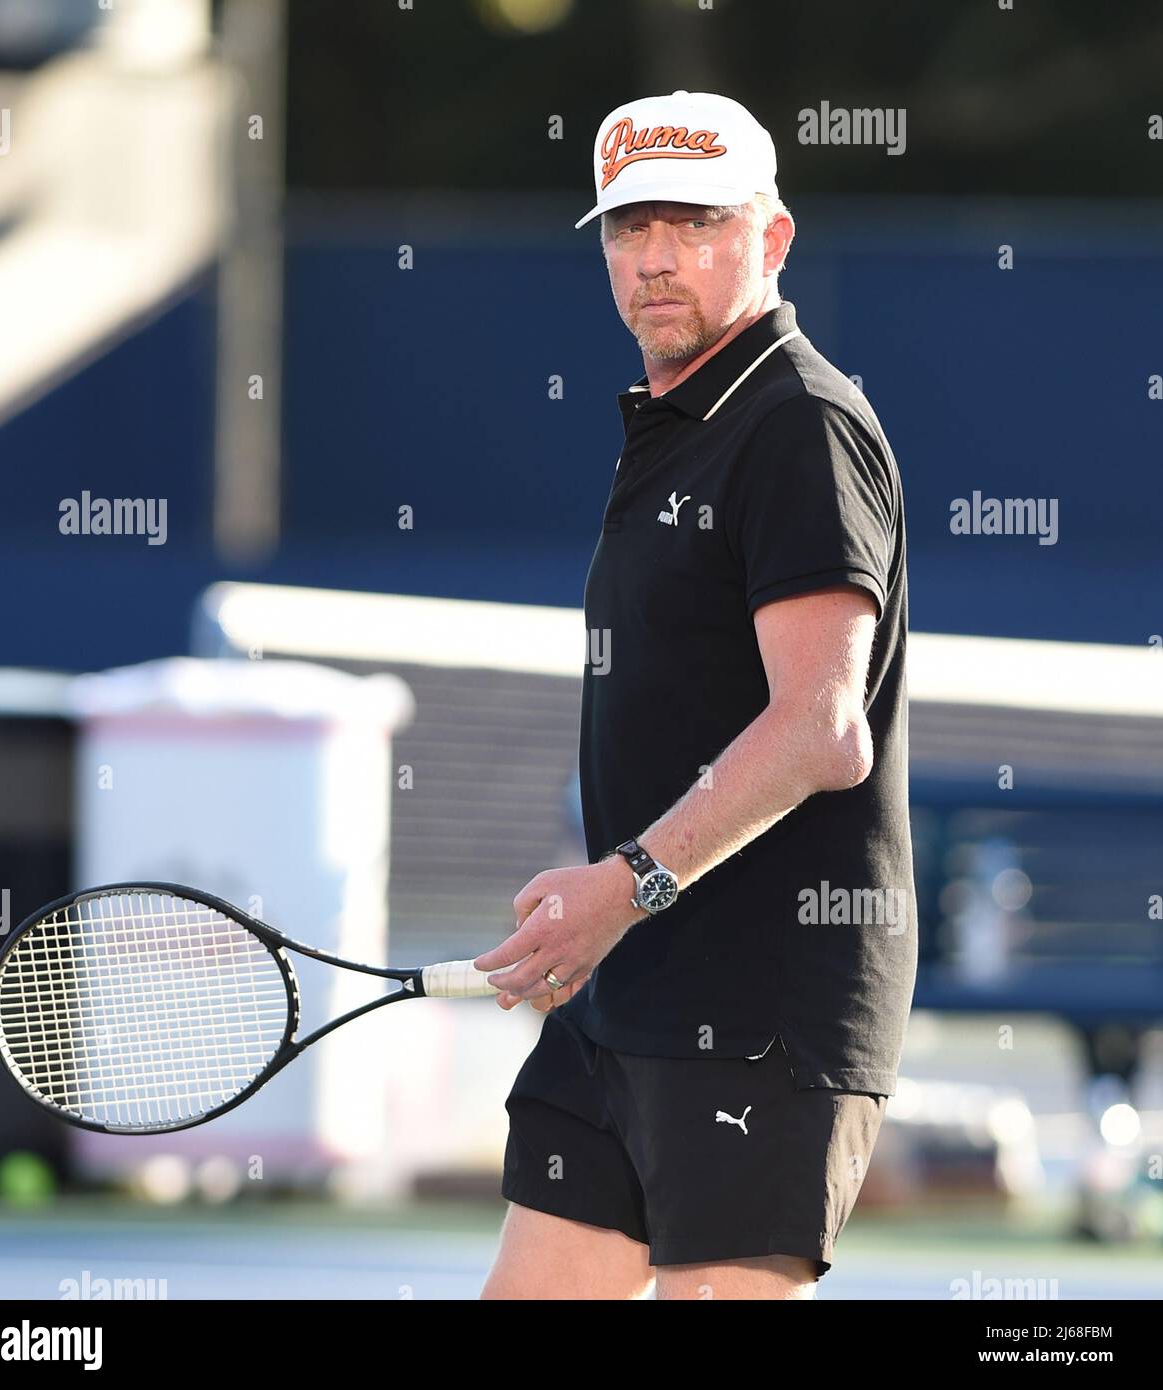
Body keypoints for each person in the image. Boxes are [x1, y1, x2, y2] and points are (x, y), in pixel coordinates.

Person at [476, 90, 917, 1301]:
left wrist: (618, 890)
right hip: (627, 997)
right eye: (629, 227)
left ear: (771, 237)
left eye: (694, 222)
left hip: (765, 1007)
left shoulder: (802, 423)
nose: (655, 257)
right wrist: (606, 925)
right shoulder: (678, 418)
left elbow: (823, 730)